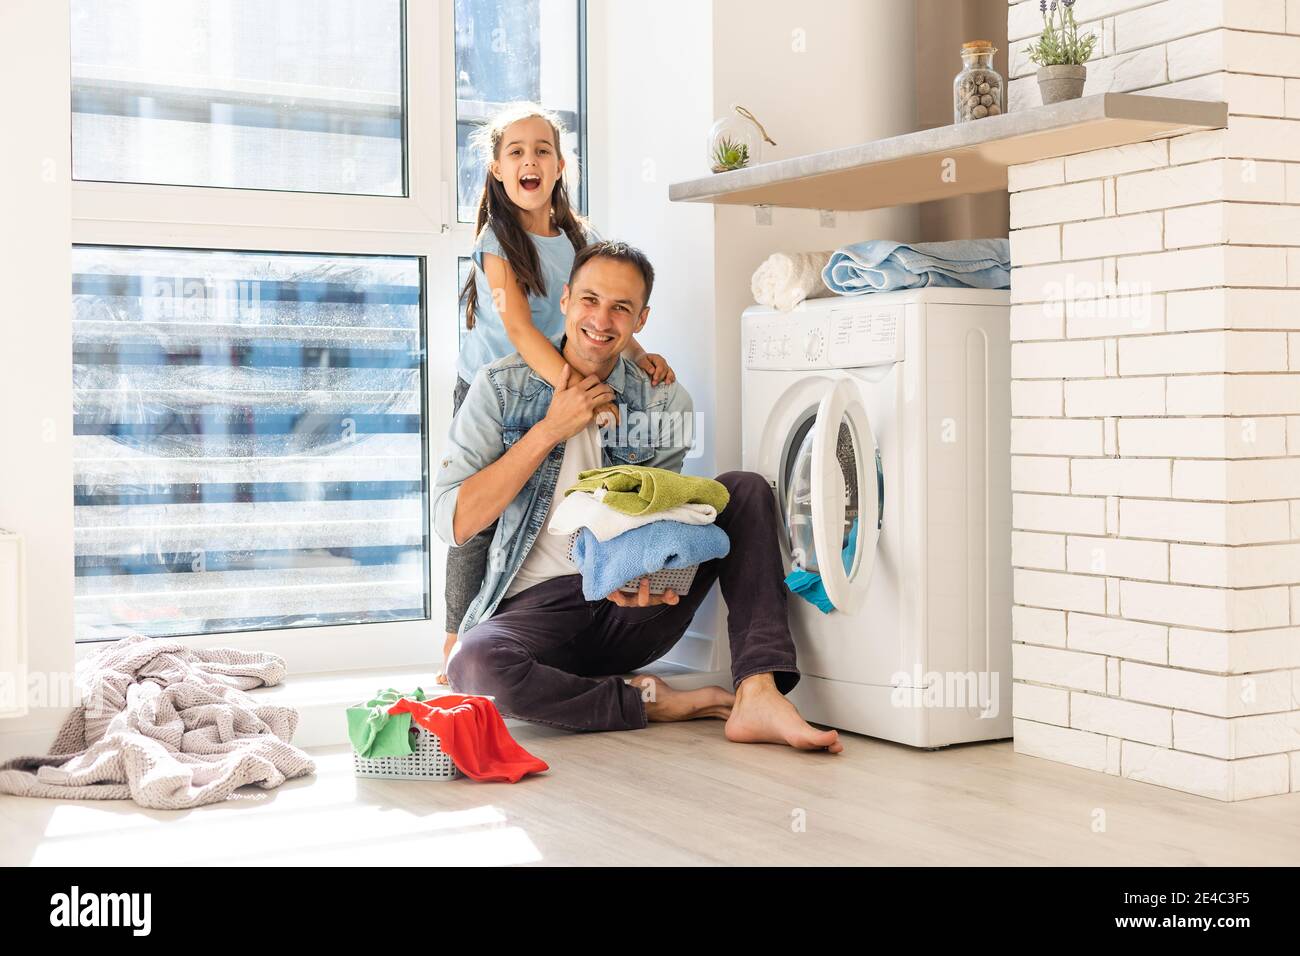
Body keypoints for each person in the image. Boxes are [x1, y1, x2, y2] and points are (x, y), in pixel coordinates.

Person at [434, 240, 842, 753]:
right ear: (564, 300)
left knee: (743, 489)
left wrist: (640, 569)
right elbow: (453, 522)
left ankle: (758, 690)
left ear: (640, 320)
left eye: (620, 307)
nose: (601, 320)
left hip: (629, 605)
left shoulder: (663, 399)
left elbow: (659, 519)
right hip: (536, 612)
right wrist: (548, 432)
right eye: (589, 299)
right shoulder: (500, 389)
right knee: (474, 665)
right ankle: (649, 701)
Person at [441, 102, 675, 683]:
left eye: (542, 150)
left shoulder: (576, 236)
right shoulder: (498, 239)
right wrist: (575, 390)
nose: (530, 160)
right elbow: (520, 330)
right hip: (495, 384)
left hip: (553, 373)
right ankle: (454, 638)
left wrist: (642, 357)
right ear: (497, 170)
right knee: (482, 520)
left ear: (561, 164)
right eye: (515, 152)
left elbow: (600, 309)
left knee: (539, 497)